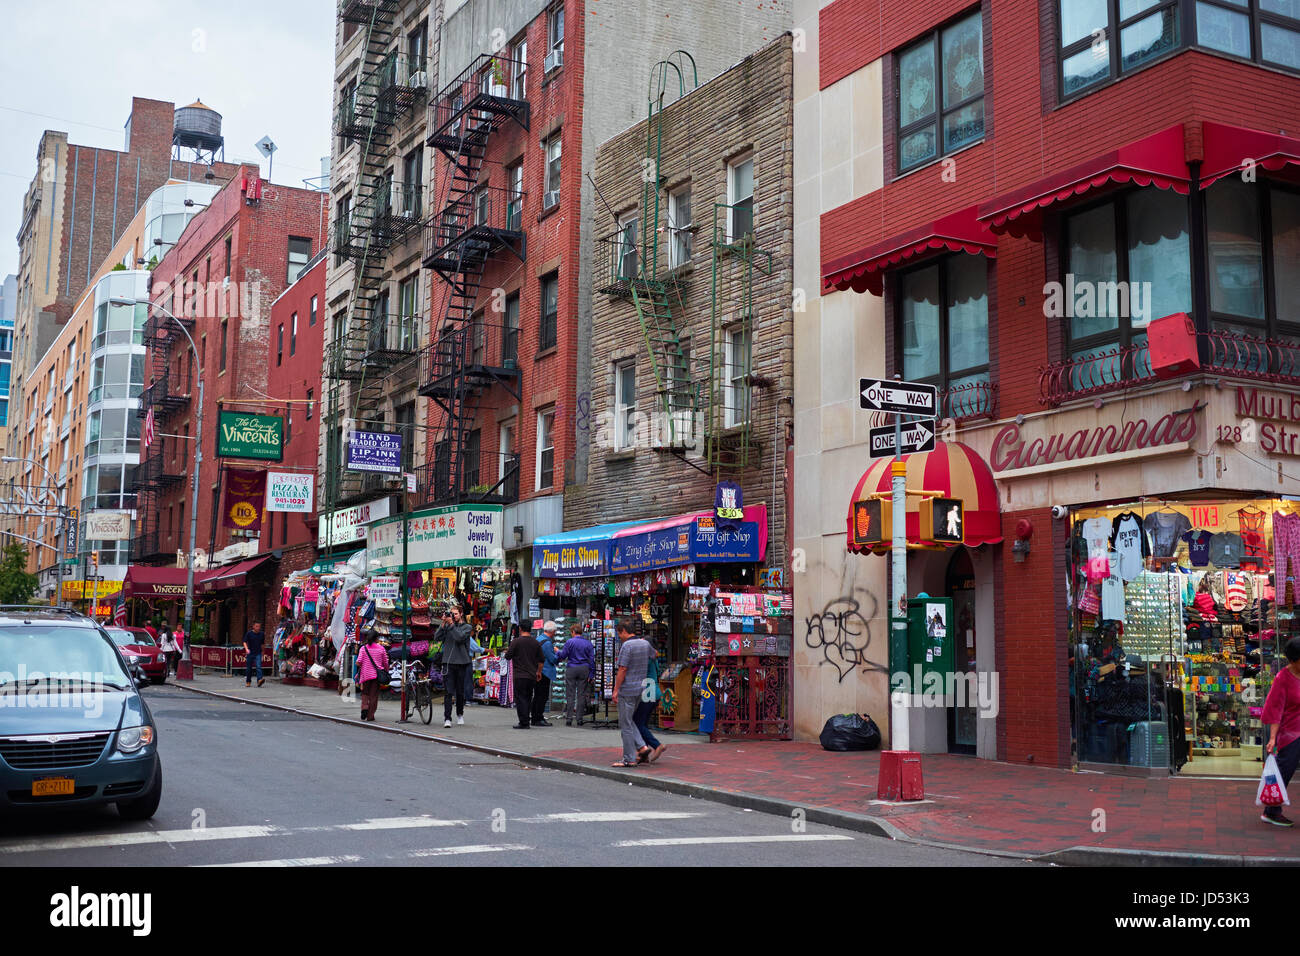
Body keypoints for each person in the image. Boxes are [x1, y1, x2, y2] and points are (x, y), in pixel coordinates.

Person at [1261, 636, 1300, 826]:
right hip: (1290, 732)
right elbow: (1275, 709)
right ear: (1293, 660)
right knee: (1284, 770)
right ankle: (1271, 811)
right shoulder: (1283, 678)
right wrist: (1273, 738)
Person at [611, 620, 652, 767]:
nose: (619, 636)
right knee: (629, 720)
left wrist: (615, 689)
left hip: (627, 689)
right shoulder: (645, 644)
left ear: (623, 631)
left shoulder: (627, 646)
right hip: (640, 688)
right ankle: (642, 746)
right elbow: (655, 655)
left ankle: (629, 758)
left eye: (619, 633)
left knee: (625, 724)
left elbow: (622, 669)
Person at [437, 604, 473, 728]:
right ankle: (447, 718)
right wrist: (443, 624)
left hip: (462, 662)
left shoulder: (467, 627)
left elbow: (460, 637)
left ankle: (460, 714)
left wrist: (451, 624)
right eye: (451, 614)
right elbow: (437, 638)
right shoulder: (448, 626)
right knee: (448, 691)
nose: (453, 616)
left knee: (460, 691)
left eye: (455, 614)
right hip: (448, 662)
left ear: (461, 614)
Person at [503, 620, 544, 729]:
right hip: (531, 675)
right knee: (528, 697)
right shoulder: (536, 643)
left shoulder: (516, 642)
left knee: (520, 698)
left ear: (520, 629)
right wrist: (539, 672)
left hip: (519, 675)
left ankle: (524, 721)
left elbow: (507, 656)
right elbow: (541, 660)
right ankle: (526, 719)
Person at [633, 645, 667, 763]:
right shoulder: (653, 657)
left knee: (637, 723)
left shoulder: (646, 658)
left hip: (647, 692)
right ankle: (644, 753)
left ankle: (656, 745)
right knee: (642, 723)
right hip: (654, 691)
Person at [557, 622, 595, 726]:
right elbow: (592, 660)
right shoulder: (588, 643)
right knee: (581, 694)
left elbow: (563, 655)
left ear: (573, 632)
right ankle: (579, 719)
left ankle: (569, 718)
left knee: (570, 694)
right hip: (584, 669)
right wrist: (591, 674)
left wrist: (557, 652)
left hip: (572, 668)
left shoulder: (569, 642)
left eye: (571, 633)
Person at [357, 627, 389, 722]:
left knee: (365, 693)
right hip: (376, 675)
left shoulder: (363, 648)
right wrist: (386, 671)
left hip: (365, 675)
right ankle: (370, 716)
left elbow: (358, 662)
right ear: (376, 639)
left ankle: (364, 708)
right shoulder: (381, 649)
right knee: (373, 696)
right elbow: (385, 662)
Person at [532, 620, 559, 727]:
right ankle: (538, 717)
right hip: (544, 672)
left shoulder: (538, 639)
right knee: (542, 696)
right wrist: (558, 653)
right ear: (552, 631)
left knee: (537, 695)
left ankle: (535, 716)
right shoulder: (547, 643)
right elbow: (553, 659)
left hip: (537, 671)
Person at [243, 621, 266, 687]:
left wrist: (263, 652)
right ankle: (248, 681)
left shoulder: (262, 634)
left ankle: (259, 680)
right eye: (256, 626)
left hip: (258, 653)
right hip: (250, 653)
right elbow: (244, 642)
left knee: (259, 666)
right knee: (249, 668)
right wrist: (246, 649)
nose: (258, 628)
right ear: (253, 626)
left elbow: (262, 644)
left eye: (259, 626)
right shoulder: (249, 633)